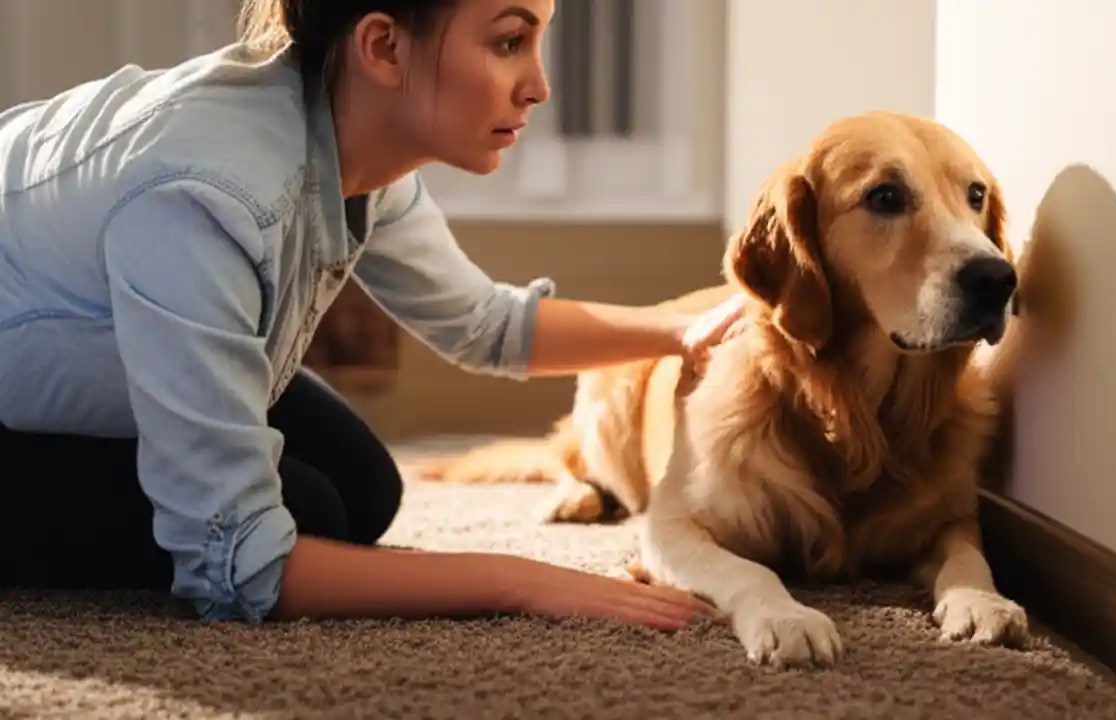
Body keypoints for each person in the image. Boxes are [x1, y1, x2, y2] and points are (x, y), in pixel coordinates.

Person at [0, 0, 745, 630]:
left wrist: (682, 331)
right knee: (299, 517)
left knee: (361, 489)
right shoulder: (206, 199)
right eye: (508, 42)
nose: (540, 86)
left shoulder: (345, 131)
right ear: (384, 47)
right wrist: (519, 579)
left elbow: (485, 323)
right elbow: (240, 571)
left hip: (90, 346)